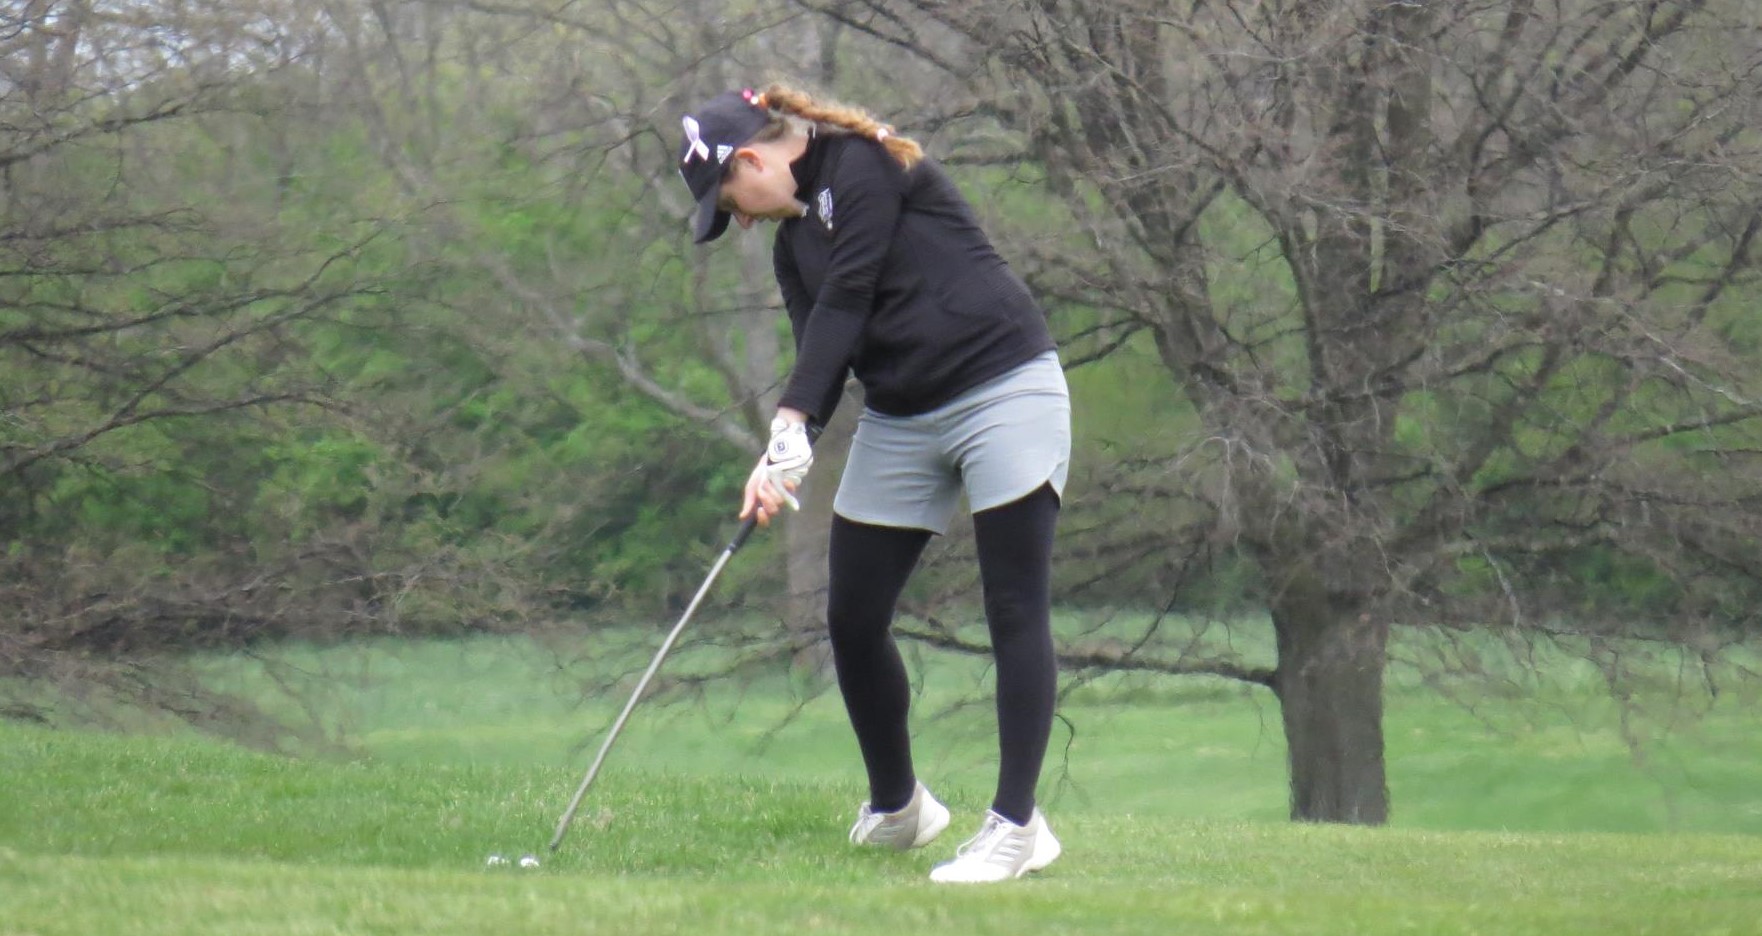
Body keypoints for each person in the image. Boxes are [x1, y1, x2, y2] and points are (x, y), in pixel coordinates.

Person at [676, 84, 1071, 884]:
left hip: (1004, 386)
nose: (741, 222)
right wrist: (786, 448)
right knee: (853, 615)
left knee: (1013, 604)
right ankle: (902, 807)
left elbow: (852, 295)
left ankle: (1018, 826)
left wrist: (788, 426)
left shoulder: (862, 164)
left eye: (731, 203)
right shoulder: (794, 248)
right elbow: (821, 347)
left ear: (752, 158)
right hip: (903, 416)